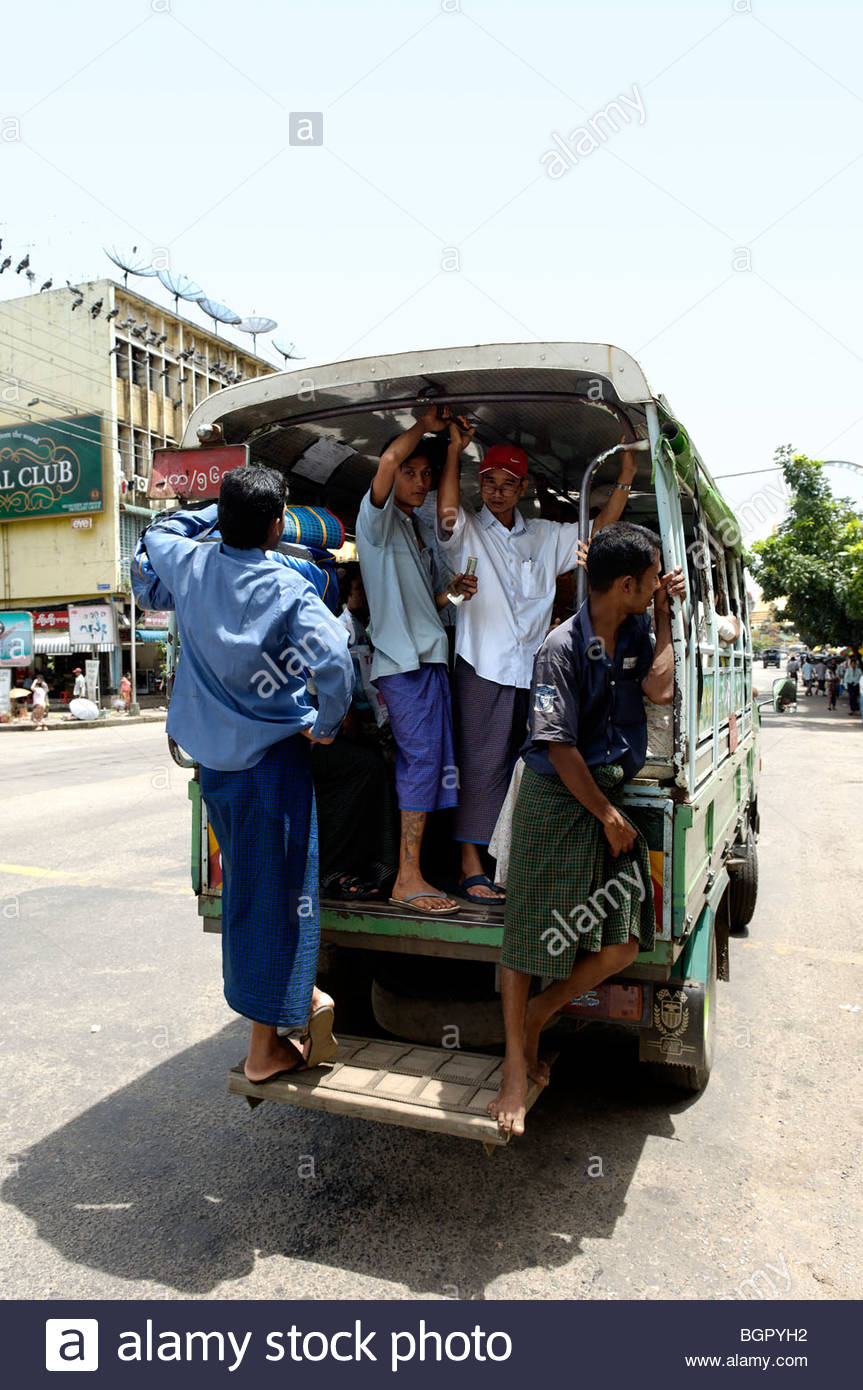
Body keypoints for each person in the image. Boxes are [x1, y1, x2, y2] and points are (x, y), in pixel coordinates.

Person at [131, 465, 354, 1084]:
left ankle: (296, 1006)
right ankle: (265, 1046)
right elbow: (334, 659)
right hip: (271, 767)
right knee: (278, 899)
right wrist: (327, 723)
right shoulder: (287, 587)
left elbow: (160, 530)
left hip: (216, 770)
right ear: (279, 527)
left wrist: (212, 514)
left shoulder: (187, 565)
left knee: (248, 895)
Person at [489, 522, 685, 1137]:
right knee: (526, 938)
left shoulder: (635, 630)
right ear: (625, 582)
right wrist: (605, 814)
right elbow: (557, 743)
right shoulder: (560, 647)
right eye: (652, 578)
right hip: (558, 798)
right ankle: (514, 1070)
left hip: (609, 799)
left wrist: (663, 615)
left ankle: (540, 1015)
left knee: (626, 939)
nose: (660, 583)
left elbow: (659, 687)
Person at [437, 419, 639, 903]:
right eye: (489, 482)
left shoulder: (546, 535)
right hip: (482, 666)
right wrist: (452, 453)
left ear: (522, 488)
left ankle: (509, 863)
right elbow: (445, 512)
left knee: (524, 768)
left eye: (508, 484)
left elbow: (601, 531)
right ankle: (469, 866)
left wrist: (626, 475)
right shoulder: (465, 529)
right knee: (479, 764)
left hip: (535, 672)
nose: (498, 492)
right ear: (479, 482)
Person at [355, 407, 477, 916]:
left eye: (427, 474)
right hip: (403, 665)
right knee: (422, 762)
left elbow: (428, 605)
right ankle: (407, 877)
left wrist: (451, 594)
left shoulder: (414, 530)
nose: (421, 482)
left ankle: (417, 869)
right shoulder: (377, 521)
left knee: (435, 765)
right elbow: (386, 458)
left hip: (429, 662)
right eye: (413, 472)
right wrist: (424, 424)